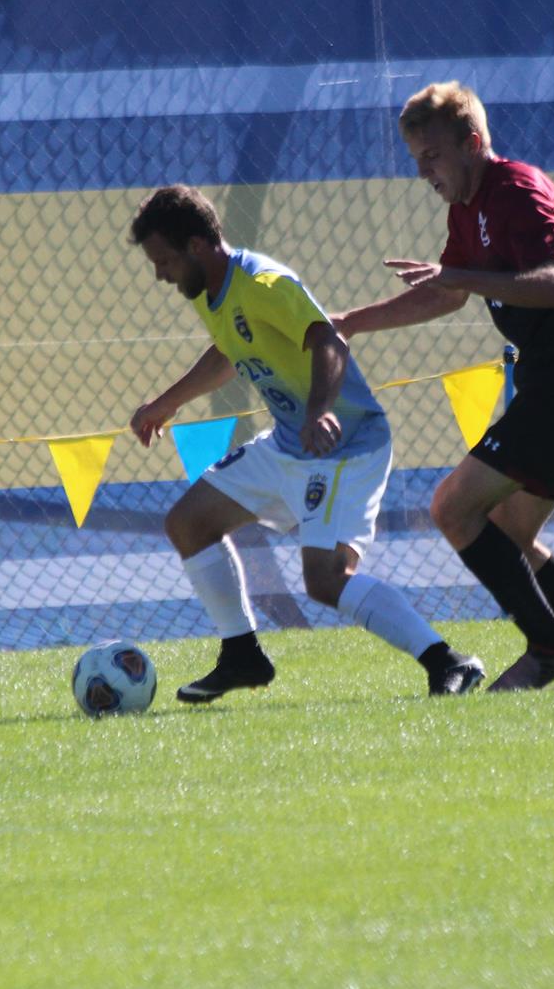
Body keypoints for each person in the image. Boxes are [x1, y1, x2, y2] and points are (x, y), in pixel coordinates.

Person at [127, 184, 486, 702]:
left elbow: (328, 339)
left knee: (325, 580)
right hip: (290, 445)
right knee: (188, 523)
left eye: (163, 260)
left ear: (197, 247)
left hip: (344, 445)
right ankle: (242, 656)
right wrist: (167, 402)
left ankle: (448, 662)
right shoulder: (210, 290)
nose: (160, 274)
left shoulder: (265, 283)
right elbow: (229, 351)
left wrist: (319, 410)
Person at [332, 82, 554, 692]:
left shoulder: (517, 191)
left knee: (452, 507)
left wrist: (459, 273)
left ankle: (551, 648)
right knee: (512, 530)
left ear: (472, 143)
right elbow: (447, 291)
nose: (423, 172)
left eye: (432, 156)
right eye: (416, 159)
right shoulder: (466, 208)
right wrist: (350, 323)